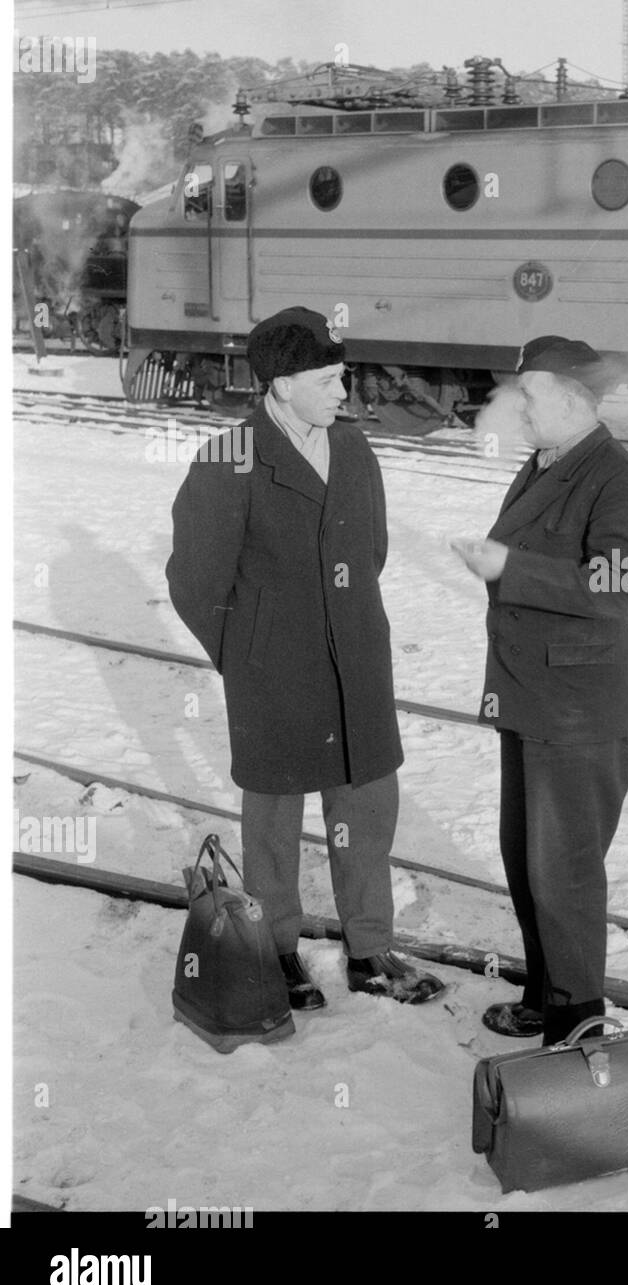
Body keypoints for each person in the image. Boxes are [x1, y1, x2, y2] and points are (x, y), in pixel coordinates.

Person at [166, 306, 444, 1011]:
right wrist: (248, 653)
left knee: (367, 801)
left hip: (356, 662)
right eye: (330, 378)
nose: (343, 391)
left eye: (342, 375)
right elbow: (196, 583)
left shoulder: (354, 451)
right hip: (273, 671)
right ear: (284, 386)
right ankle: (276, 947)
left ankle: (370, 948)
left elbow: (369, 553)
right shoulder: (228, 459)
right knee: (274, 819)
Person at [451, 336, 628, 1045]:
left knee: (565, 870)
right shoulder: (547, 462)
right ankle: (545, 991)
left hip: (577, 709)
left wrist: (510, 566)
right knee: (524, 856)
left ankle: (577, 1025)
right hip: (530, 696)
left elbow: (617, 590)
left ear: (573, 400)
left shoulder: (619, 479)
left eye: (529, 395)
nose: (517, 407)